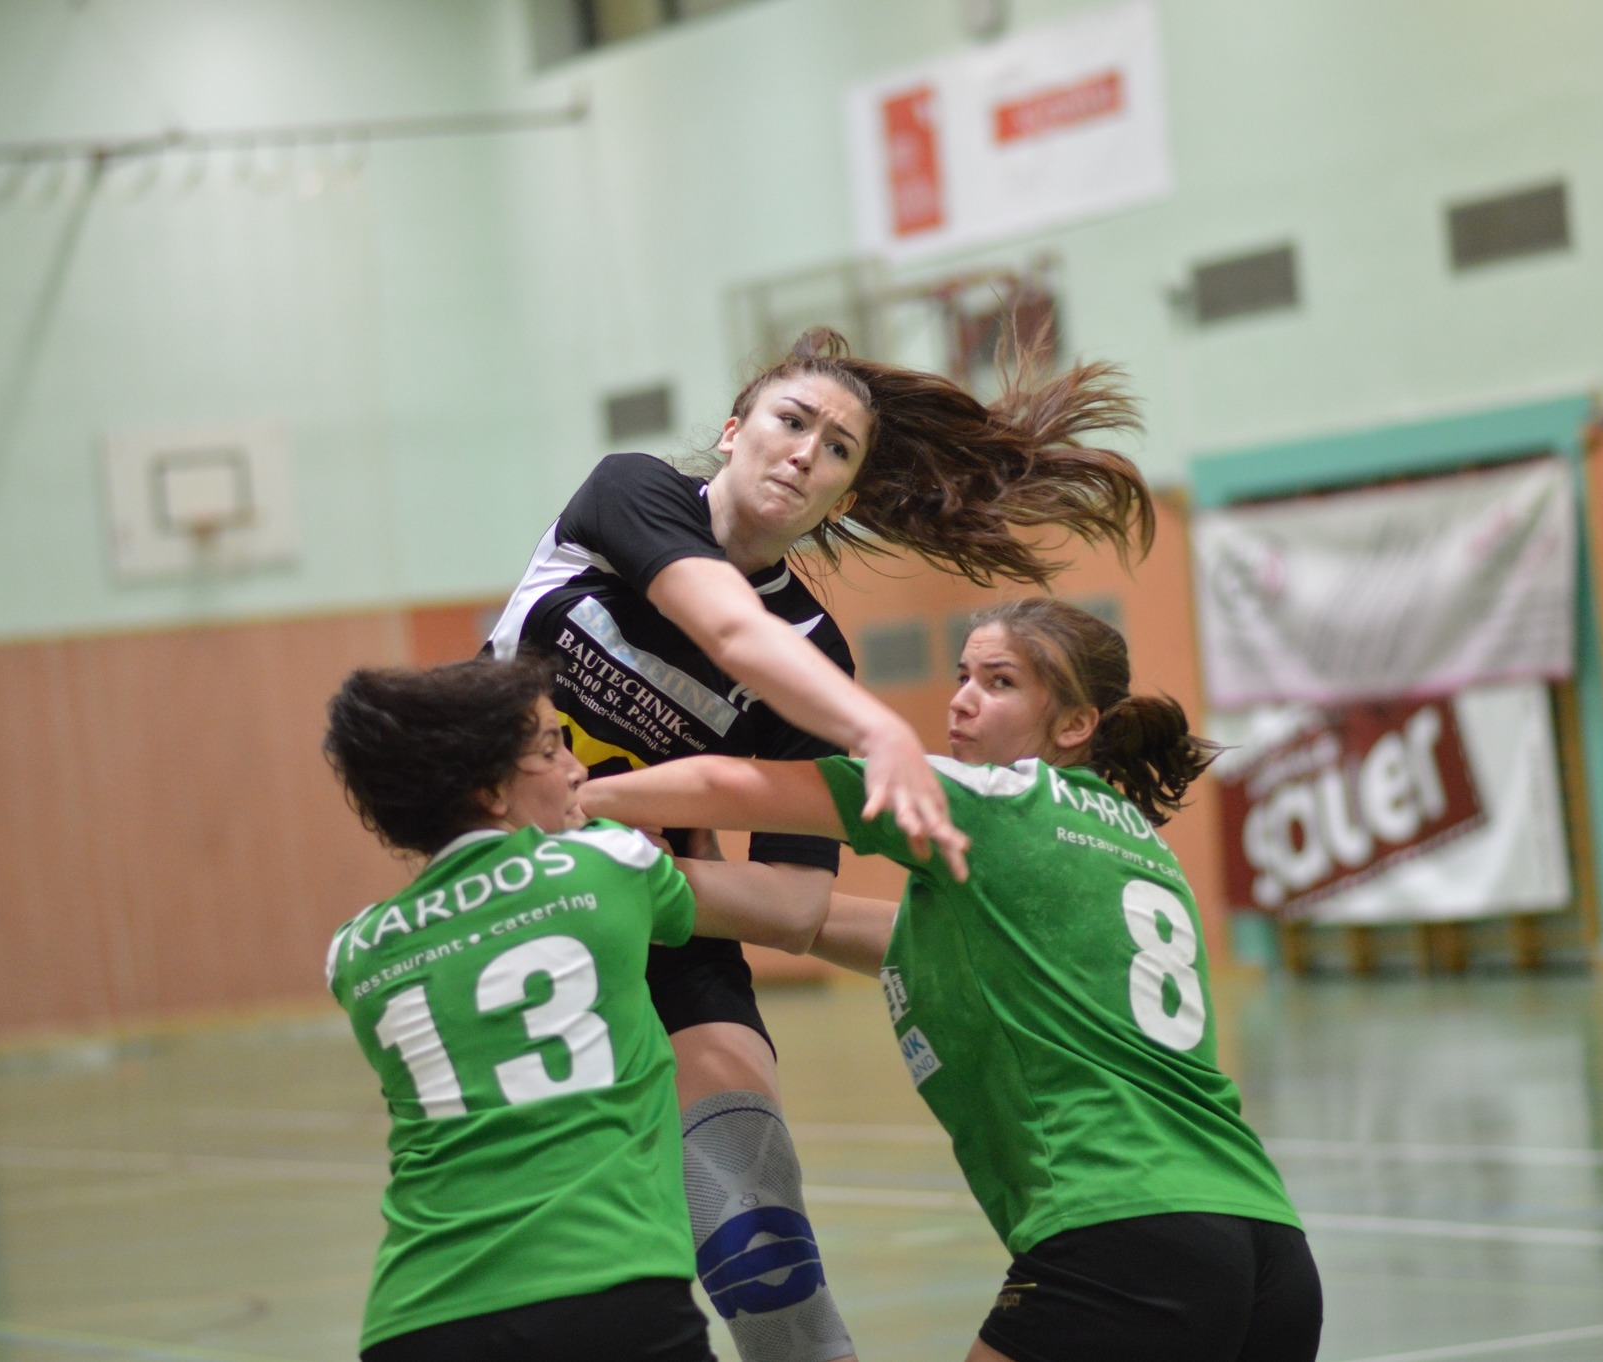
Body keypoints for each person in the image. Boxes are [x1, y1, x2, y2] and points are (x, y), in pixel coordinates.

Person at [485, 329, 1152, 1362]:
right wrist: (877, 727)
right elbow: (727, 631)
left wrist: (628, 857)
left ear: (842, 498)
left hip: (654, 891)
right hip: (500, 880)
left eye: (837, 450)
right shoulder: (632, 496)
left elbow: (793, 907)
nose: (806, 452)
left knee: (761, 1248)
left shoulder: (813, 654)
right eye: (792, 422)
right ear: (733, 431)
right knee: (558, 1258)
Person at [581, 598, 1324, 1362]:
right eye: (964, 675)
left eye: (999, 683)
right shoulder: (1133, 840)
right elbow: (894, 938)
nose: (961, 698)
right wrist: (675, 885)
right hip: (1267, 1245)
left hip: (1119, 1230)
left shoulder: (994, 797)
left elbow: (737, 786)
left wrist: (575, 807)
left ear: (1074, 724)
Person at [319, 655, 832, 1362]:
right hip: (605, 1284)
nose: (576, 770)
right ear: (490, 792)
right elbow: (774, 910)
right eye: (549, 748)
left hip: (415, 1316)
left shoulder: (355, 951)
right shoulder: (610, 864)